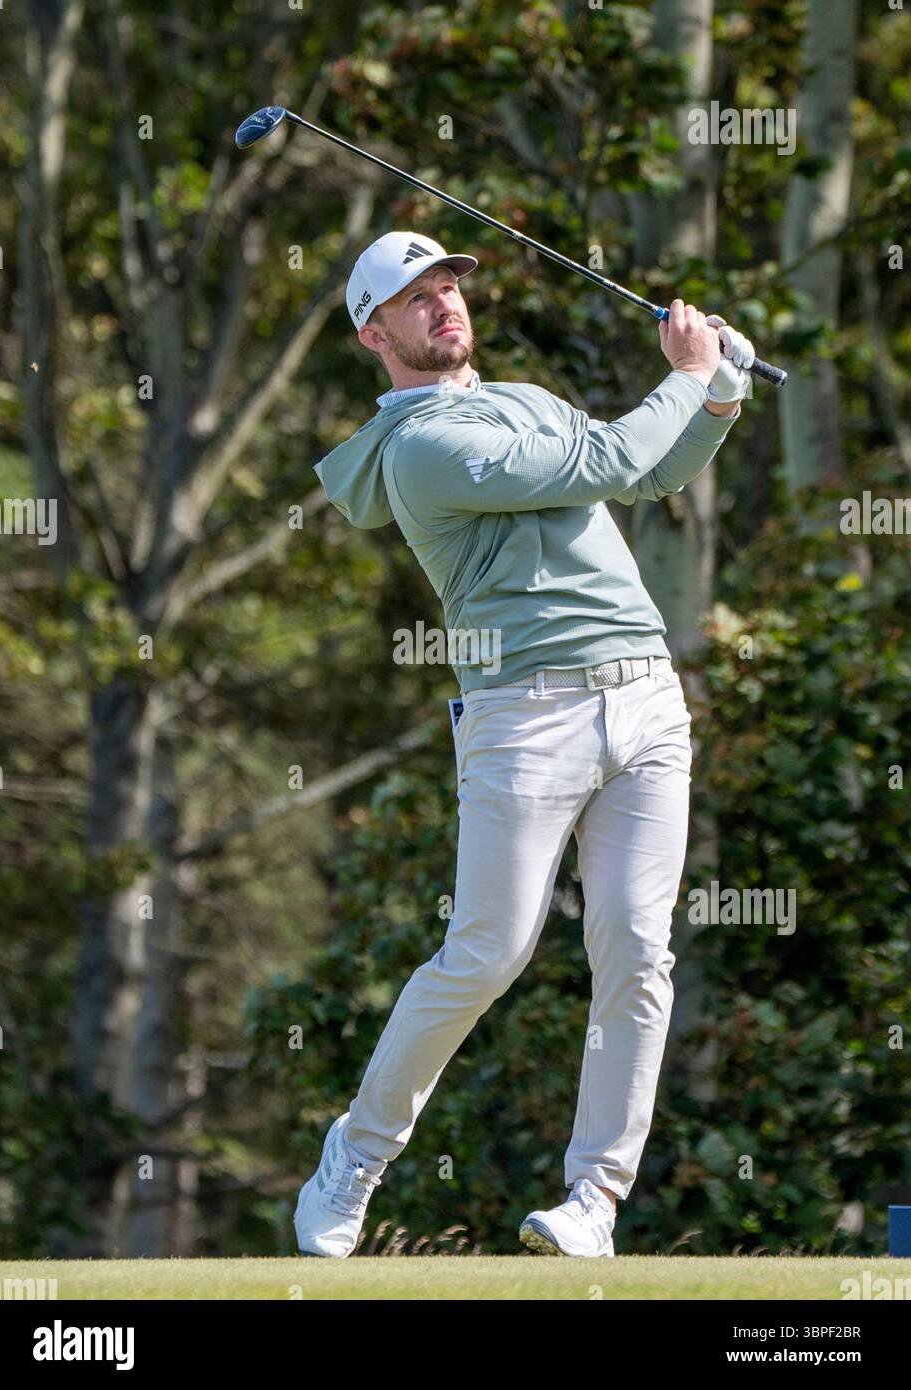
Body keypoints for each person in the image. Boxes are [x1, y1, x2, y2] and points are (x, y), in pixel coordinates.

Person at [297, 231, 753, 1257]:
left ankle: (593, 1199)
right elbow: (612, 455)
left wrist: (717, 395)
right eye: (414, 299)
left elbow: (648, 476)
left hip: (643, 697)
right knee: (487, 952)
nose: (443, 305)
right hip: (523, 716)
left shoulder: (528, 400)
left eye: (448, 285)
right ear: (376, 335)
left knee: (637, 950)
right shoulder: (418, 449)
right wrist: (685, 373)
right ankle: (357, 1156)